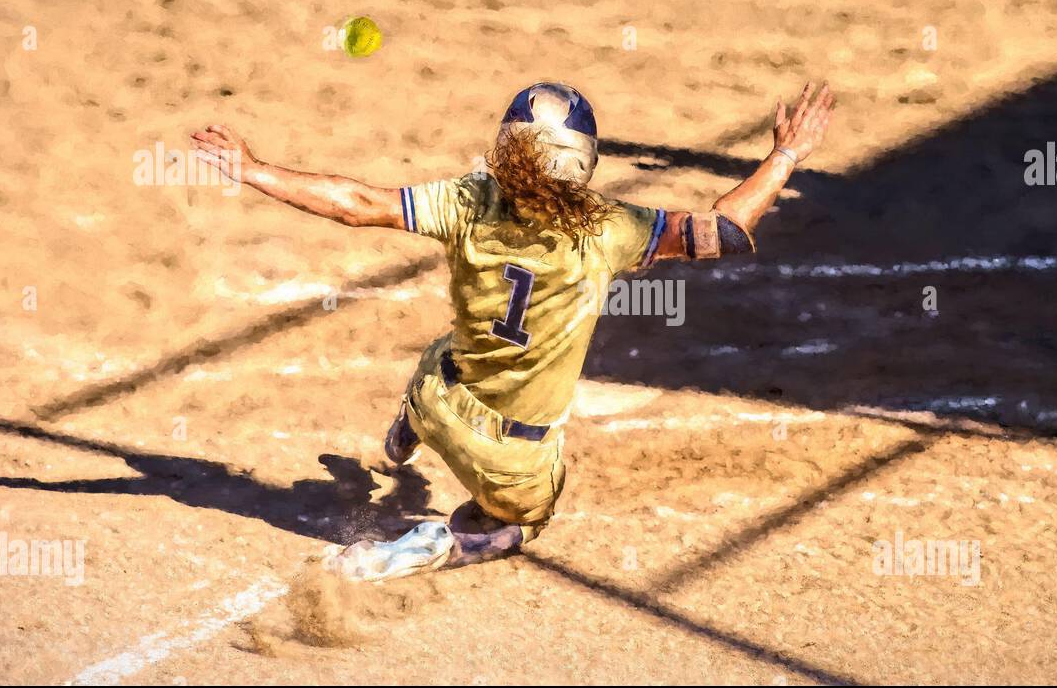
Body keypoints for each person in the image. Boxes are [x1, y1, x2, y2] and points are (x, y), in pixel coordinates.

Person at [190, 80, 835, 580]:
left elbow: (359, 205)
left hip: (445, 398)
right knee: (522, 524)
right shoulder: (612, 230)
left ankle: (408, 429)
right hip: (512, 459)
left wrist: (254, 169)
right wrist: (784, 154)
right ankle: (435, 544)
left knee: (444, 349)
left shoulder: (469, 202)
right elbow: (724, 230)